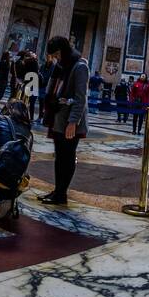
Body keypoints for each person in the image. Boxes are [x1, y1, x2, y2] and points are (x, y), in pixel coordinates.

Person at [40, 34, 88, 206]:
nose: (55, 59)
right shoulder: (62, 66)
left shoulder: (80, 66)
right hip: (59, 118)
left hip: (70, 122)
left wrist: (73, 122)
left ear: (63, 51)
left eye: (57, 54)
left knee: (67, 157)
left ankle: (62, 194)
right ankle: (58, 190)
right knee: (59, 157)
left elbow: (81, 98)